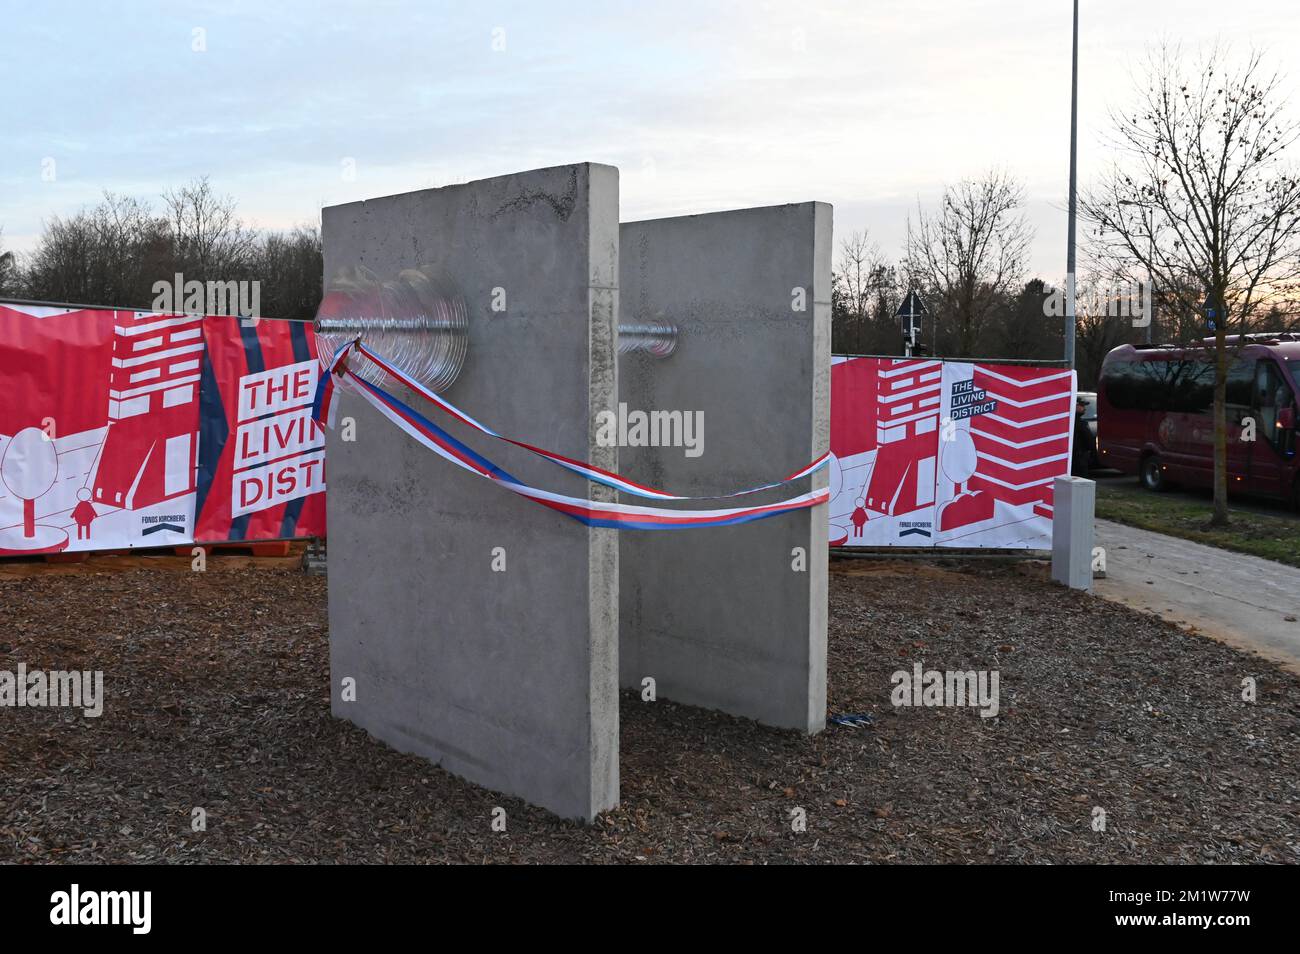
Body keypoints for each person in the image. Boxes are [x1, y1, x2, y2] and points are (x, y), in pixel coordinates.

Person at [1072, 396, 1095, 477]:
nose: (1084, 408)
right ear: (1075, 405)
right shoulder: (1080, 424)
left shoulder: (1069, 421)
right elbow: (1089, 441)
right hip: (1078, 459)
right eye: (1082, 405)